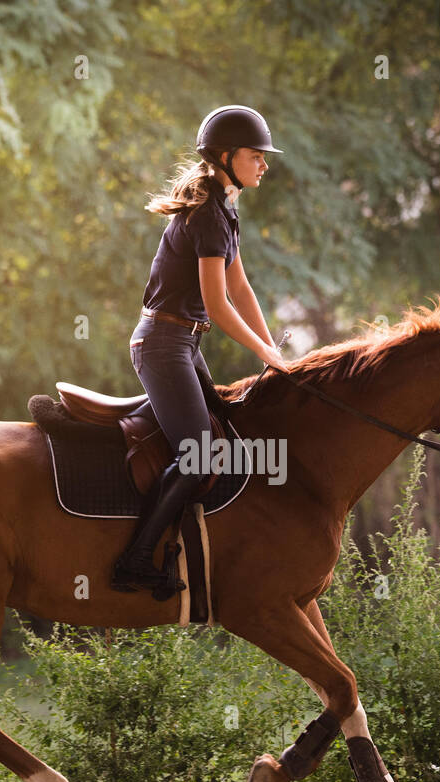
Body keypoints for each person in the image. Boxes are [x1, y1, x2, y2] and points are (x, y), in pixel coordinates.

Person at [111, 105, 288, 599]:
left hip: (183, 344)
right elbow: (218, 306)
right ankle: (135, 561)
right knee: (199, 456)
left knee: (224, 435)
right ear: (227, 156)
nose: (264, 165)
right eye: (257, 156)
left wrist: (272, 349)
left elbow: (241, 288)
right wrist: (266, 355)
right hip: (164, 344)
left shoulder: (225, 208)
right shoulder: (207, 215)